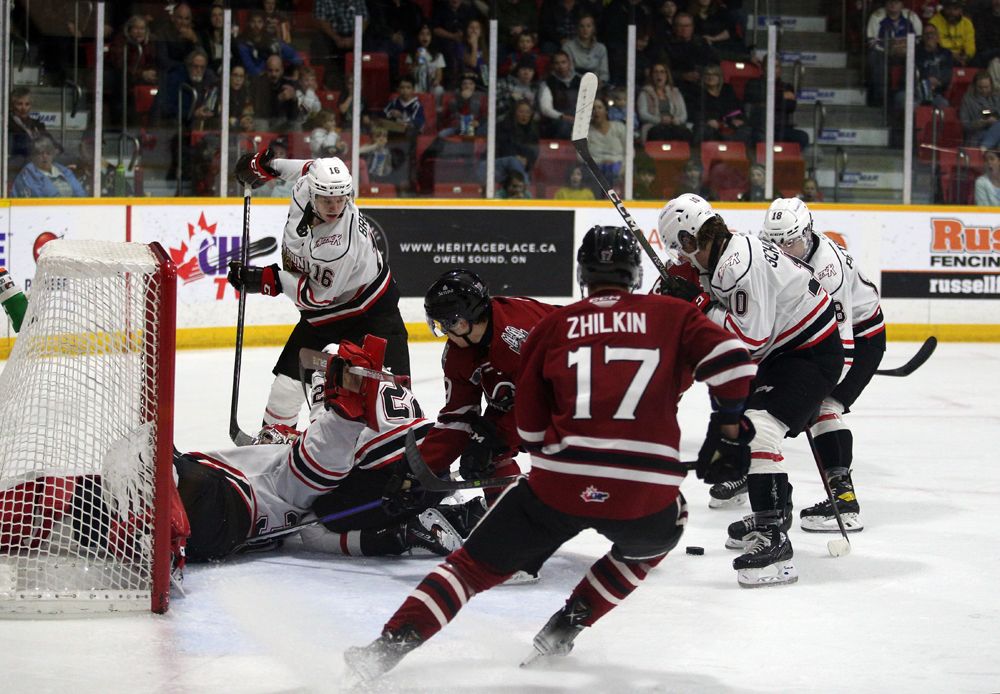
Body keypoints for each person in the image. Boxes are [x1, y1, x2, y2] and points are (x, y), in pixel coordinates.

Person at [342, 226, 756, 679]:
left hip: (560, 483)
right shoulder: (668, 315)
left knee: (467, 570)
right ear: (636, 274)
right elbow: (735, 360)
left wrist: (517, 444)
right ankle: (566, 627)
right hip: (644, 488)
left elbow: (534, 430)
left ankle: (383, 651)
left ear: (582, 275)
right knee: (660, 531)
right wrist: (728, 431)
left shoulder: (549, 328)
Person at [657, 194, 844, 586]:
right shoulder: (724, 254)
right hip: (788, 348)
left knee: (759, 429)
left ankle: (774, 538)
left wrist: (697, 305)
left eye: (681, 248)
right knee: (743, 422)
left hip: (811, 352)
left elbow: (750, 342)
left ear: (692, 239)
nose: (680, 257)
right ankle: (774, 510)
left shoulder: (736, 265)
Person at [176, 336, 483, 563]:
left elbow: (321, 462)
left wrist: (340, 418)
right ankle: (457, 516)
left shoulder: (337, 377)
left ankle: (402, 535)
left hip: (385, 473)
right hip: (430, 463)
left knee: (314, 526)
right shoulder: (385, 378)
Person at [229, 151, 409, 429]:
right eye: (327, 198)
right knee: (287, 385)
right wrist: (267, 167)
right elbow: (308, 167)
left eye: (341, 198)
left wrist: (268, 280)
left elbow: (317, 297)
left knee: (393, 394)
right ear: (312, 192)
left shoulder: (340, 245)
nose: (335, 205)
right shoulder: (306, 185)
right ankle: (275, 440)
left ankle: (397, 454)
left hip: (371, 314)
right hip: (324, 317)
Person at [750, 198, 885, 540]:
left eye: (791, 242)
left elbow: (841, 346)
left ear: (808, 234)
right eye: (775, 243)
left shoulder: (828, 269)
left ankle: (844, 500)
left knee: (823, 407)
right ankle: (746, 471)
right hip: (808, 340)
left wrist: (815, 391)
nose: (784, 250)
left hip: (859, 340)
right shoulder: (771, 255)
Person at [418, 269, 555, 510]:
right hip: (537, 396)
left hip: (581, 393)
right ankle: (508, 519)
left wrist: (496, 438)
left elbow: (548, 401)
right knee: (487, 451)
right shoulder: (459, 353)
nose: (445, 333)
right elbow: (458, 415)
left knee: (491, 442)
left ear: (463, 322)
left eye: (446, 324)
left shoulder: (516, 340)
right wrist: (420, 468)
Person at [866, 0, 922, 106]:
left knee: (918, 57)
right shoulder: (877, 16)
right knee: (874, 57)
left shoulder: (911, 16)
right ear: (886, 4)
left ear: (902, 4)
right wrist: (889, 50)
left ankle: (907, 93)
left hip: (907, 52)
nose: (893, 5)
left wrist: (906, 49)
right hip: (884, 53)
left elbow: (919, 39)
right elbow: (871, 41)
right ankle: (881, 97)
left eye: (896, 2)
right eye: (890, 2)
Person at [12, 135, 87, 198]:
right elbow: (39, 198)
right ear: (33, 156)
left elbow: (80, 194)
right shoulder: (28, 173)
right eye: (40, 153)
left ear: (53, 154)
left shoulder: (64, 171)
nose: (45, 156)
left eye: (48, 153)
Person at [638, 62, 691, 143]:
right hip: (654, 125)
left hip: (674, 124)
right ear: (651, 75)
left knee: (684, 133)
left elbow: (684, 114)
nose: (659, 75)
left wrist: (676, 120)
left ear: (667, 75)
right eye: (656, 72)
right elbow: (643, 114)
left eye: (662, 72)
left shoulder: (675, 92)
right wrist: (659, 120)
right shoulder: (645, 93)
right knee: (659, 133)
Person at [538, 51, 581, 139]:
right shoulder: (548, 83)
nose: (561, 66)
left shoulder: (581, 80)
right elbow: (545, 109)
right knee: (564, 126)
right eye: (557, 63)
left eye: (563, 62)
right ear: (552, 66)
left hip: (580, 118)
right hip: (559, 120)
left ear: (569, 63)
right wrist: (563, 117)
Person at [586, 97, 628, 186]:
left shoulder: (619, 127)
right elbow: (581, 156)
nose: (596, 111)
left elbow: (629, 152)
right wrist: (602, 162)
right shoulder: (586, 132)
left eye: (599, 107)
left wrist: (623, 169)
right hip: (595, 169)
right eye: (593, 108)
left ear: (606, 111)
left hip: (619, 168)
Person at [7, 87, 48, 172]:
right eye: (19, 104)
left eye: (27, 104)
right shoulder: (7, 124)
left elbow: (53, 144)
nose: (23, 108)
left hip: (37, 163)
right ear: (12, 105)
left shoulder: (37, 124)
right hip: (16, 164)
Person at [562, 13, 610, 84]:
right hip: (575, 84)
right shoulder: (568, 47)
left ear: (593, 28)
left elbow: (604, 73)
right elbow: (569, 72)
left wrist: (600, 81)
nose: (585, 29)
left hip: (596, 84)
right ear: (577, 28)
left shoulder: (601, 48)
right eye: (582, 26)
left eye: (588, 26)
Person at [929, 0, 975, 66]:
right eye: (948, 8)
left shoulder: (967, 23)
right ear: (944, 8)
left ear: (960, 10)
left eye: (955, 9)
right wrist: (951, 55)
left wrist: (966, 56)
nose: (952, 12)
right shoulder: (934, 23)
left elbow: (970, 45)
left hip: (961, 57)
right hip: (942, 57)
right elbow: (934, 46)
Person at [960, 71, 1000, 147]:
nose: (984, 90)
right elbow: (965, 125)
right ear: (974, 86)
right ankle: (985, 147)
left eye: (986, 87)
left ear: (991, 85)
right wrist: (981, 123)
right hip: (977, 134)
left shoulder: (997, 97)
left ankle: (985, 147)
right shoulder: (968, 100)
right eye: (980, 88)